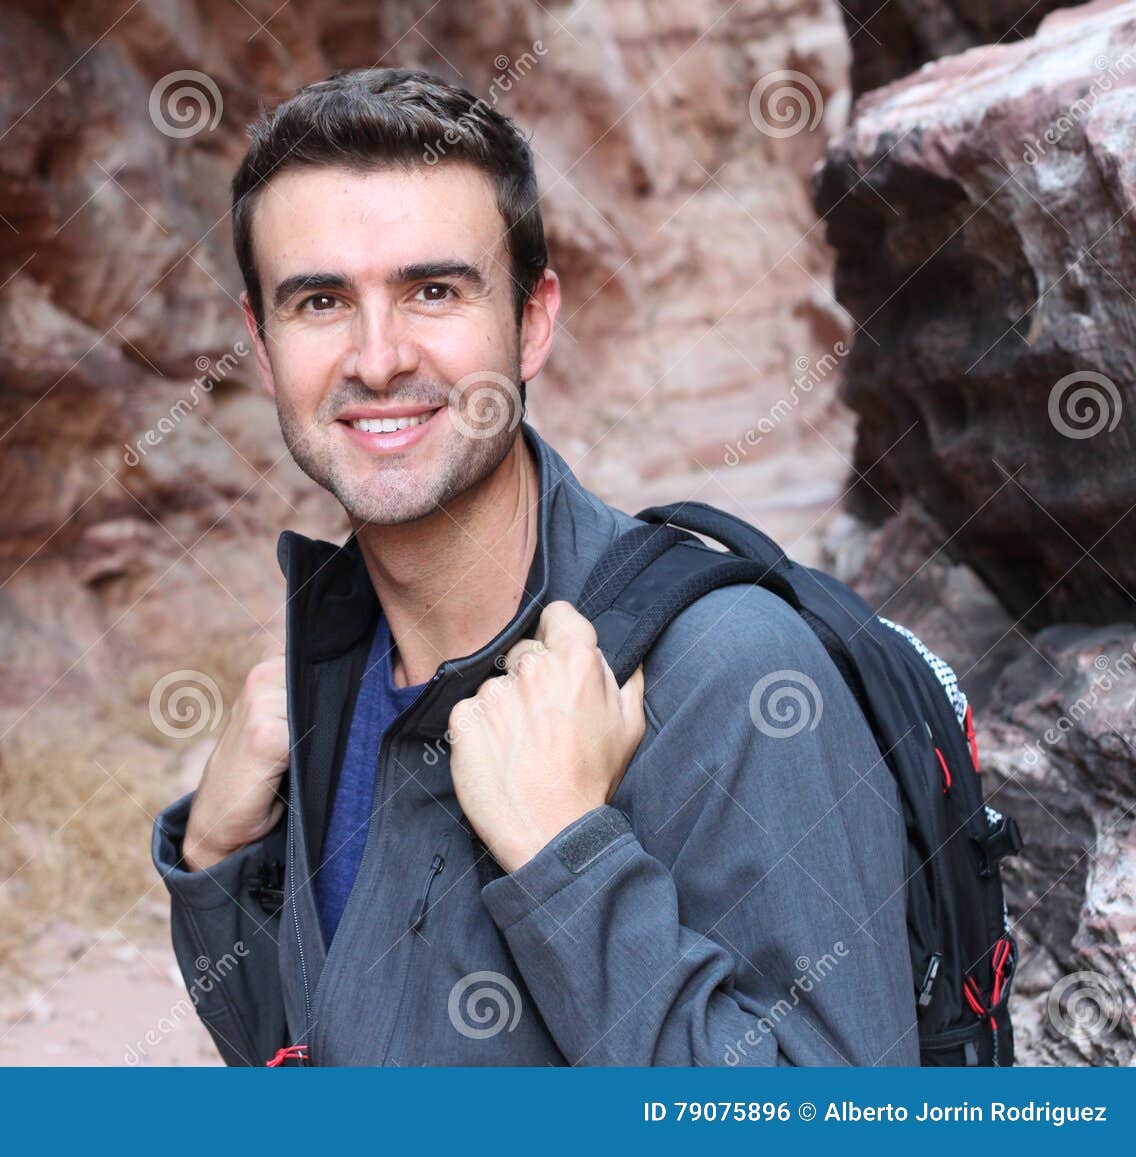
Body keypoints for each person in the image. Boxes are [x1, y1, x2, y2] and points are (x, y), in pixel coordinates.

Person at [150, 67, 917, 1066]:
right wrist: (217, 866)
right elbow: (306, 1057)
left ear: (533, 320)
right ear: (261, 346)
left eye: (433, 290)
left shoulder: (728, 670)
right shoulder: (326, 675)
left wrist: (569, 859)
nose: (376, 357)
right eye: (320, 300)